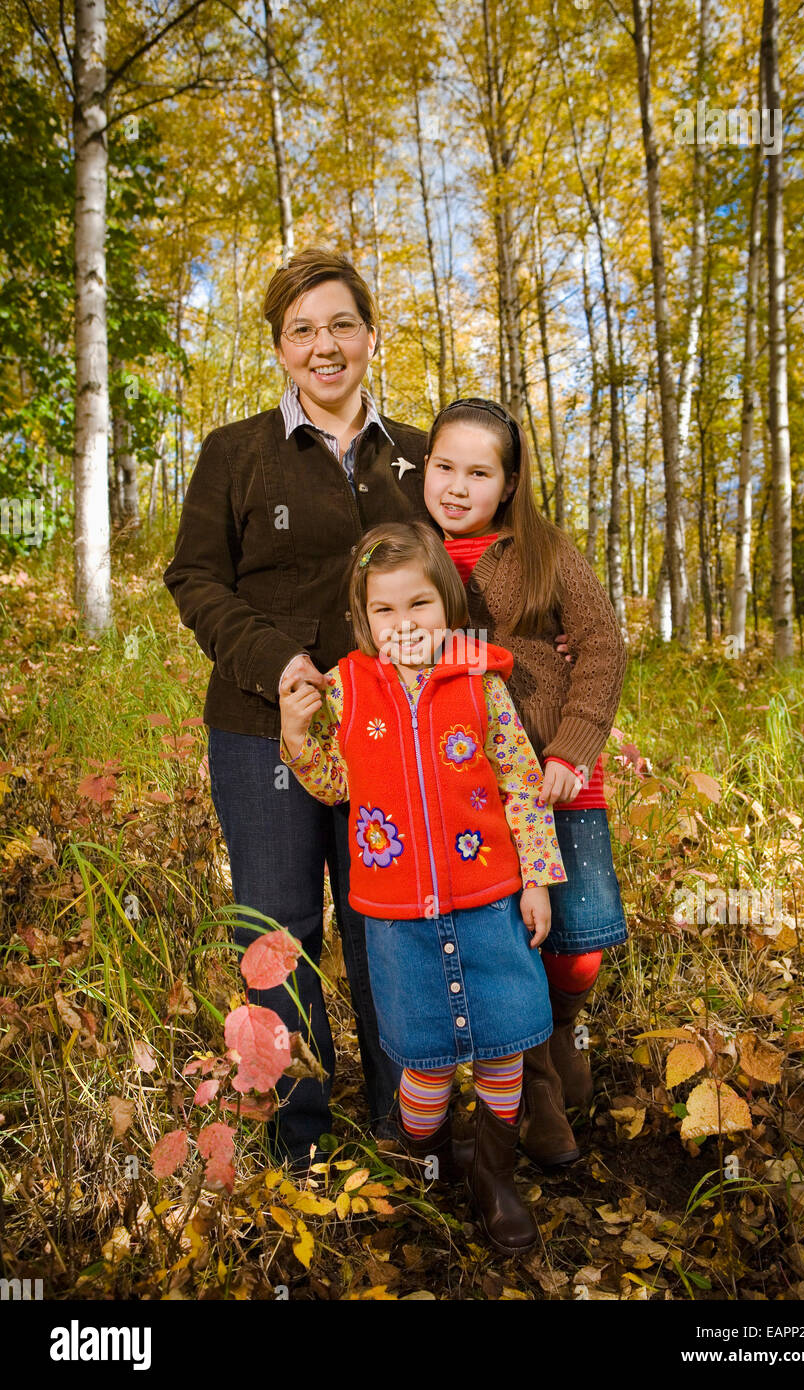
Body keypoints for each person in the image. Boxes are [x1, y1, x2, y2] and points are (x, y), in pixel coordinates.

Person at [163, 247, 430, 1167]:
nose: (325, 346)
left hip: (394, 734)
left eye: (341, 324)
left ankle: (410, 1126)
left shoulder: (418, 454)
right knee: (279, 931)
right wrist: (276, 662)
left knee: (388, 921)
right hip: (258, 726)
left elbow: (469, 569)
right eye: (302, 330)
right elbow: (193, 576)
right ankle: (296, 1143)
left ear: (369, 333)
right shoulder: (235, 453)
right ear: (279, 349)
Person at [278, 521, 566, 1255]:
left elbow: (521, 786)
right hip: (398, 917)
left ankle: (494, 1179)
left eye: (421, 605)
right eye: (385, 610)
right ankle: (426, 1166)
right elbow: (333, 784)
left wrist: (537, 879)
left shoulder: (480, 681)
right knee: (426, 1062)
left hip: (489, 904)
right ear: (363, 619)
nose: (404, 624)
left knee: (502, 1047)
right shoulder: (349, 688)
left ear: (449, 608)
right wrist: (295, 734)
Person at [423, 397, 628, 1167]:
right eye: (444, 467)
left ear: (507, 484)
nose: (456, 486)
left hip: (557, 779)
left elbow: (603, 645)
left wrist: (573, 749)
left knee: (580, 940)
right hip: (473, 788)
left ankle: (565, 1024)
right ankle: (537, 1084)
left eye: (479, 472)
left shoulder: (543, 552)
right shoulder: (416, 554)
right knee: (511, 943)